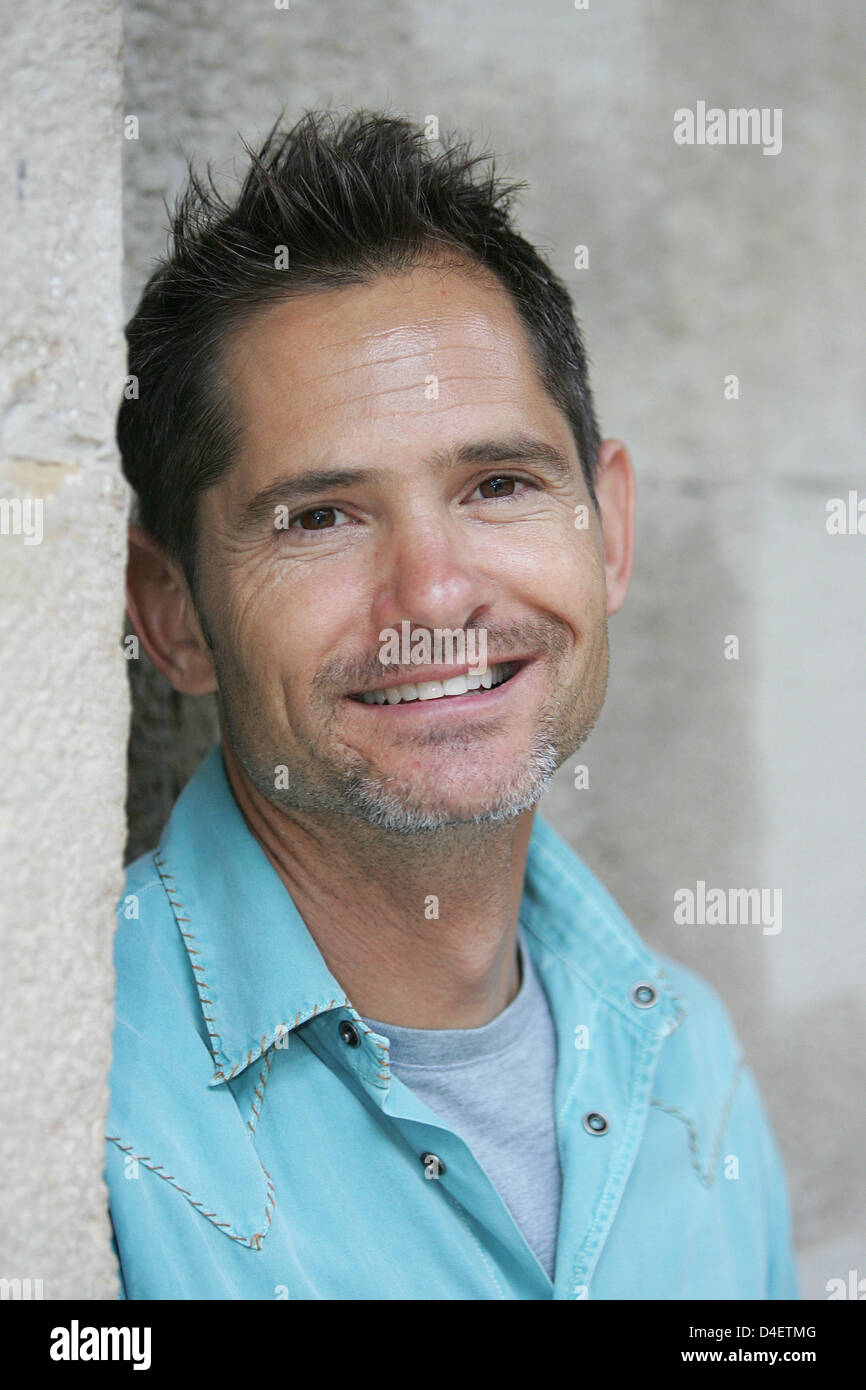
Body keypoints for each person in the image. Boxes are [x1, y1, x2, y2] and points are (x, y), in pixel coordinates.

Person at [108, 109, 799, 1299]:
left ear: (609, 529)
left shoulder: (693, 1064)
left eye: (496, 483)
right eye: (318, 515)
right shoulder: (75, 1112)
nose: (432, 596)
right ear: (172, 613)